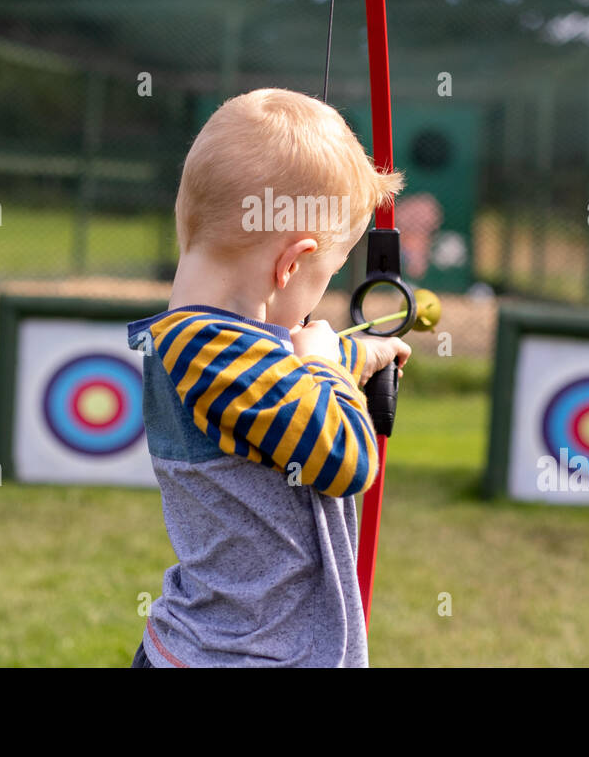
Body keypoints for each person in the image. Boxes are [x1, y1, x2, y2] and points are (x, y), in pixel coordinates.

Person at [126, 87, 410, 667]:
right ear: (290, 264)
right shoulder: (211, 353)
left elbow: (282, 387)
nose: (319, 298)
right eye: (325, 275)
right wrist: (326, 366)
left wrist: (360, 358)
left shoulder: (209, 343)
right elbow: (343, 458)